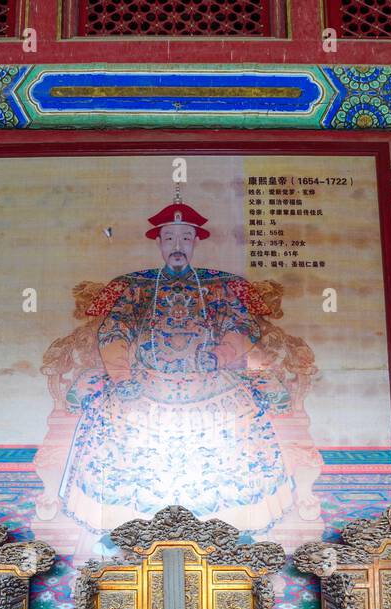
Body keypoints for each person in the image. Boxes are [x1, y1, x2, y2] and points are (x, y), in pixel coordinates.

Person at [59, 197, 294, 532]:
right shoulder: (136, 287)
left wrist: (220, 355)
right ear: (158, 242)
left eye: (185, 238)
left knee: (242, 425)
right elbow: (115, 328)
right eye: (170, 238)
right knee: (109, 421)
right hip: (146, 381)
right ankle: (124, 525)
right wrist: (122, 376)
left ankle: (232, 525)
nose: (178, 246)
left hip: (209, 380)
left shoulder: (220, 286)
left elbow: (242, 325)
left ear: (196, 241)